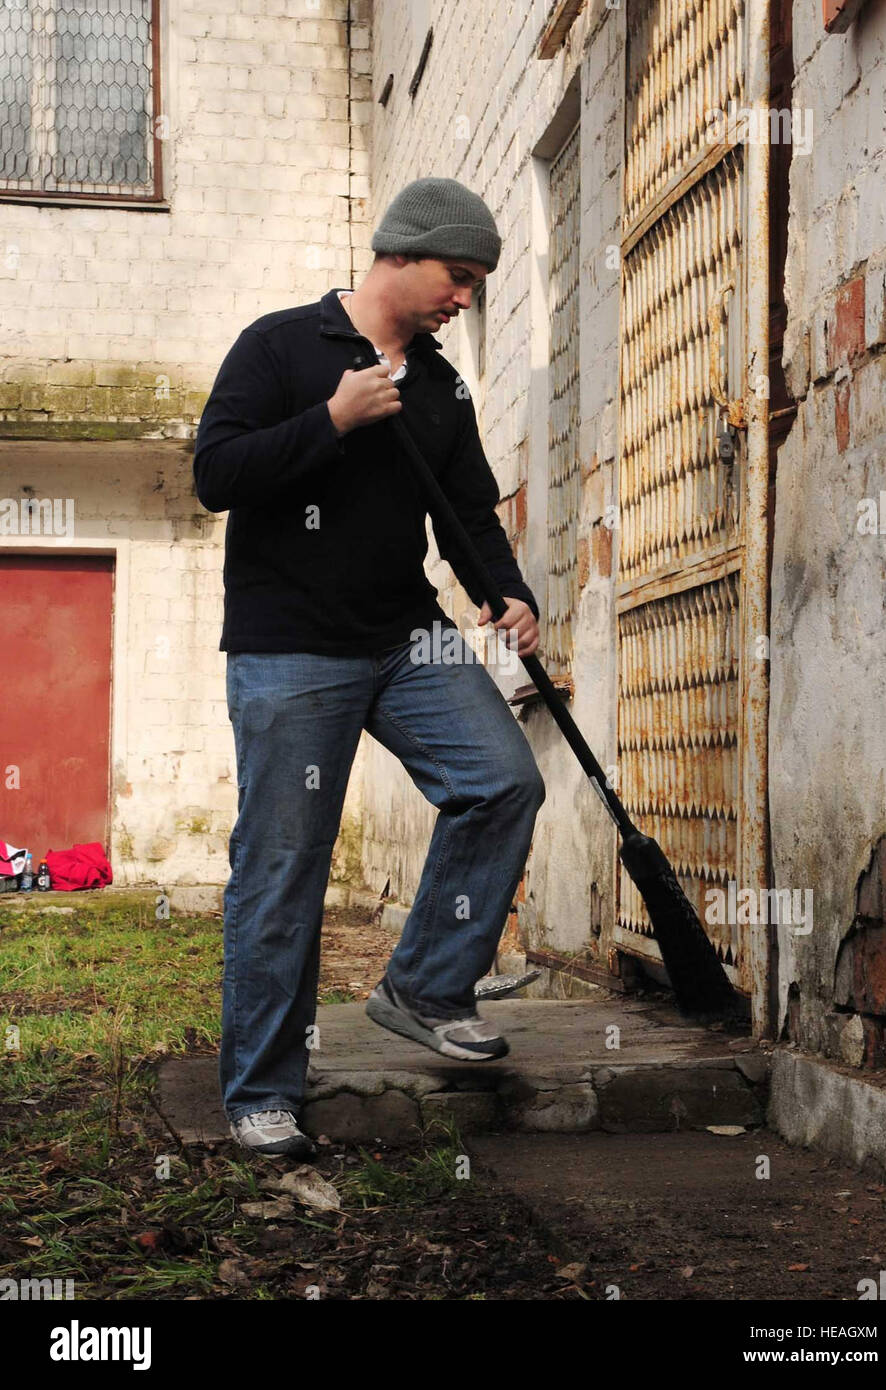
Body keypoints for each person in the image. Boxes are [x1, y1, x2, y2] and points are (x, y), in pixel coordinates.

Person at [193, 177, 546, 1159]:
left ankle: (425, 986)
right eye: (458, 276)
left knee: (502, 780)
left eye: (477, 284)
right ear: (401, 255)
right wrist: (334, 420)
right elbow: (216, 474)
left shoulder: (438, 383)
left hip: (404, 636)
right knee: (284, 869)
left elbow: (467, 511)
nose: (464, 298)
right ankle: (263, 1092)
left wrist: (505, 590)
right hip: (289, 646)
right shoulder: (281, 346)